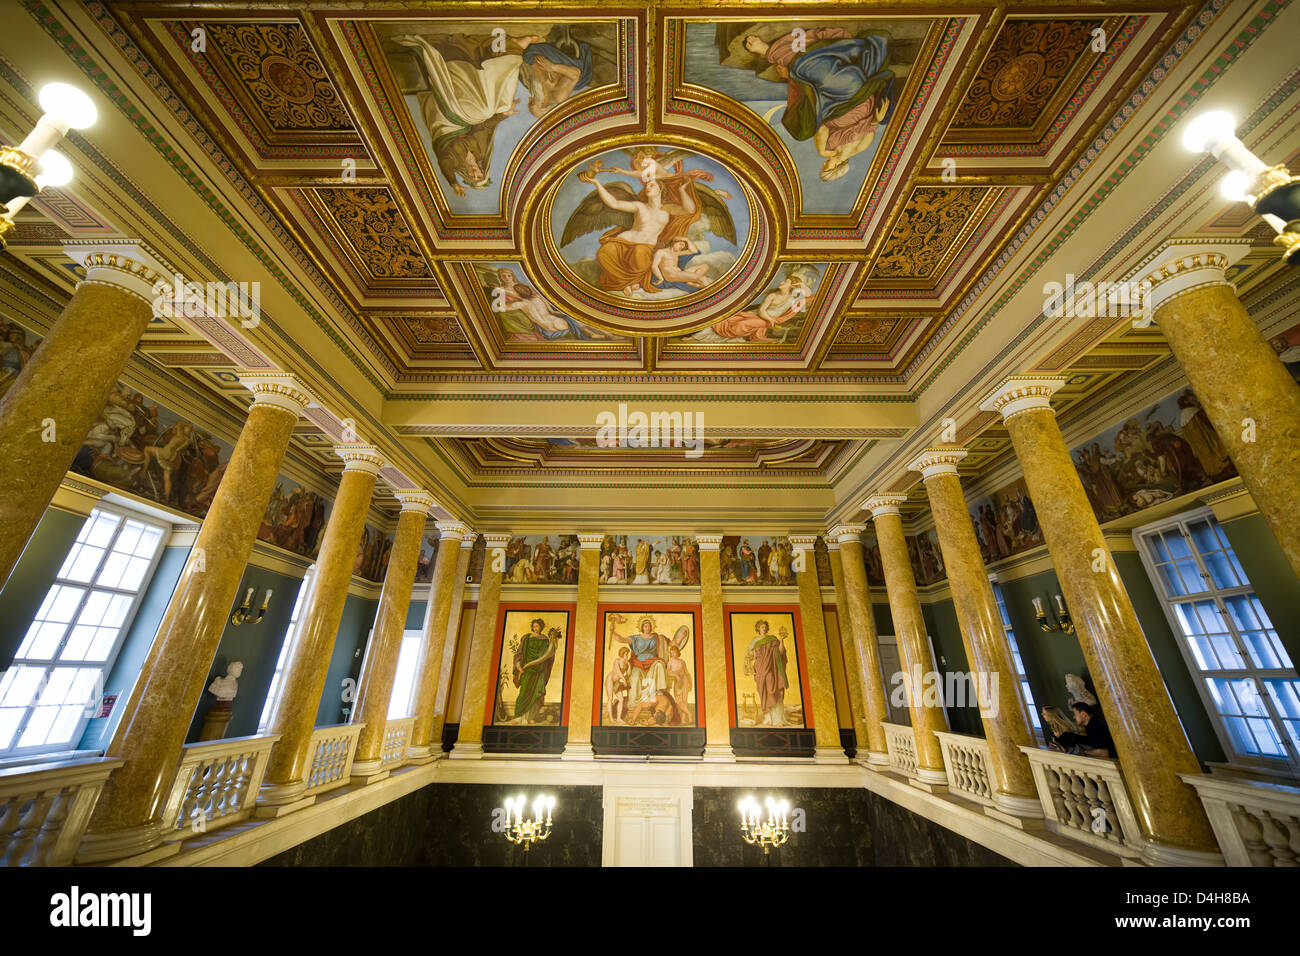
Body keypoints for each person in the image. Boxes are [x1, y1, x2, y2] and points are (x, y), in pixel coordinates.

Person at [512, 619, 559, 723]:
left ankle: (530, 717)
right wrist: (519, 666)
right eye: (534, 626)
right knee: (524, 692)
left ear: (541, 627)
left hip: (539, 671)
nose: (535, 628)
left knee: (537, 694)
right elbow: (519, 653)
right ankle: (518, 716)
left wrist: (554, 639)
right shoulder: (527, 638)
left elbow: (549, 654)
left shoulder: (545, 640)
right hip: (527, 669)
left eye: (537, 626)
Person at [745, 619, 789, 726]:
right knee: (764, 690)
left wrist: (781, 640)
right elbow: (750, 656)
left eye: (765, 627)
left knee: (772, 689)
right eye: (761, 627)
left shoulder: (773, 639)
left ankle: (777, 719)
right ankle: (768, 718)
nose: (763, 629)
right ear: (758, 629)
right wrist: (749, 660)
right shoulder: (755, 641)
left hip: (772, 668)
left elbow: (781, 652)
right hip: (760, 668)